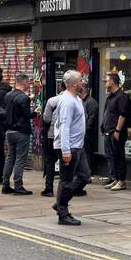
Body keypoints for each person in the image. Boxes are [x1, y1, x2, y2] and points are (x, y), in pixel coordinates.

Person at [54, 69, 90, 225]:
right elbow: (64, 126)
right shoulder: (67, 101)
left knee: (84, 177)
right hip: (69, 148)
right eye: (81, 80)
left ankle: (60, 202)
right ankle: (63, 214)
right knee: (66, 181)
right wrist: (66, 150)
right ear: (74, 84)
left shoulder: (77, 99)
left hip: (78, 147)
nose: (83, 82)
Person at [101, 71, 131, 192]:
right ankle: (115, 178)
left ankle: (121, 181)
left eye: (107, 81)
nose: (105, 83)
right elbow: (107, 113)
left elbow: (123, 115)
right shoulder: (110, 96)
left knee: (119, 156)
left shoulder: (122, 96)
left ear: (113, 82)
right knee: (111, 156)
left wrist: (118, 130)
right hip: (108, 131)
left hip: (117, 132)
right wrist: (103, 128)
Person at [2, 72, 33, 195]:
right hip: (21, 132)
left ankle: (5, 185)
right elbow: (26, 115)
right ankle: (18, 185)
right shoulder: (24, 98)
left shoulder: (8, 95)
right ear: (24, 83)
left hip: (9, 131)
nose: (28, 85)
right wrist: (35, 113)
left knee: (10, 157)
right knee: (20, 159)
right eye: (28, 83)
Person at [40, 90, 62, 196]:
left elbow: (46, 118)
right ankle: (66, 188)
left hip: (52, 135)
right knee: (67, 163)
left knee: (50, 162)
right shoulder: (77, 101)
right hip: (70, 138)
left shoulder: (52, 101)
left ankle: (49, 189)